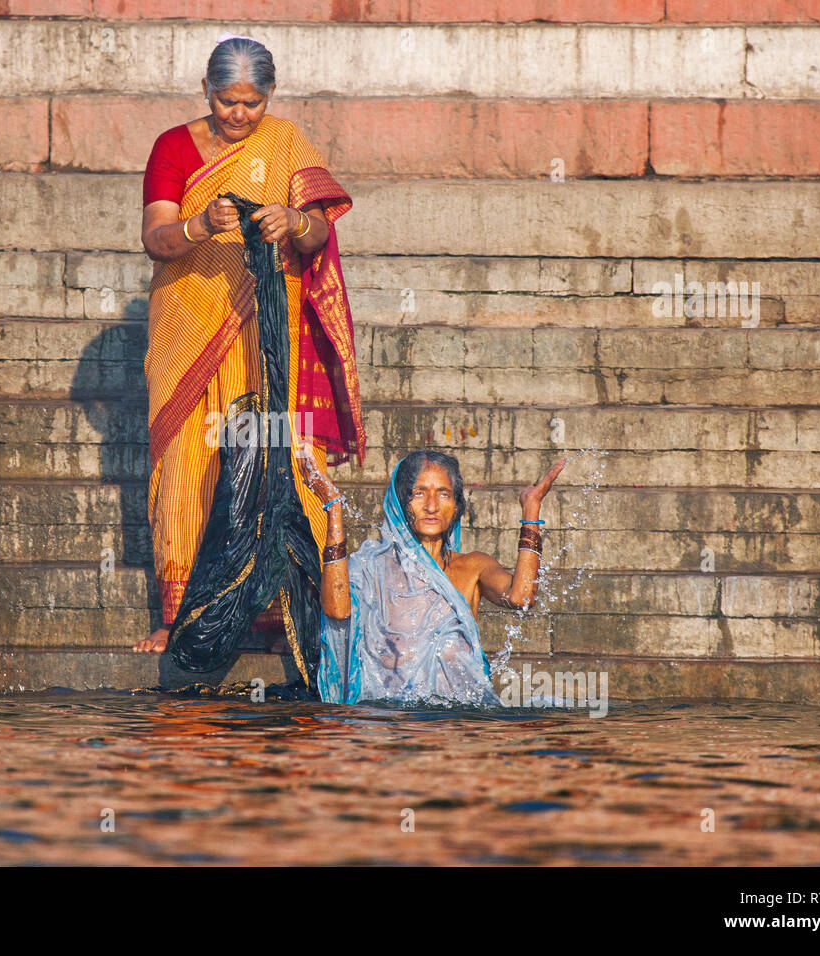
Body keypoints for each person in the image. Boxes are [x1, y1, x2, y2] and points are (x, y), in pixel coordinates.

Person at [134, 35, 366, 655]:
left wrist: (294, 221)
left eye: (252, 103)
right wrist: (199, 223)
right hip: (187, 329)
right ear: (206, 92)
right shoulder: (174, 147)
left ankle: (292, 611)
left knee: (272, 460)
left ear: (270, 96)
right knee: (190, 464)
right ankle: (179, 618)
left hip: (266, 333)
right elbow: (155, 238)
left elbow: (320, 230)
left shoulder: (286, 143)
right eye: (227, 101)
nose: (239, 115)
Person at [300, 445, 566, 706]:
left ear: (456, 505)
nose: (431, 506)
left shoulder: (474, 567)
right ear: (401, 502)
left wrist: (531, 511)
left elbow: (522, 597)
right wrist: (334, 509)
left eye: (443, 494)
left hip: (458, 729)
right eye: (418, 493)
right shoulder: (372, 567)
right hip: (391, 730)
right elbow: (336, 610)